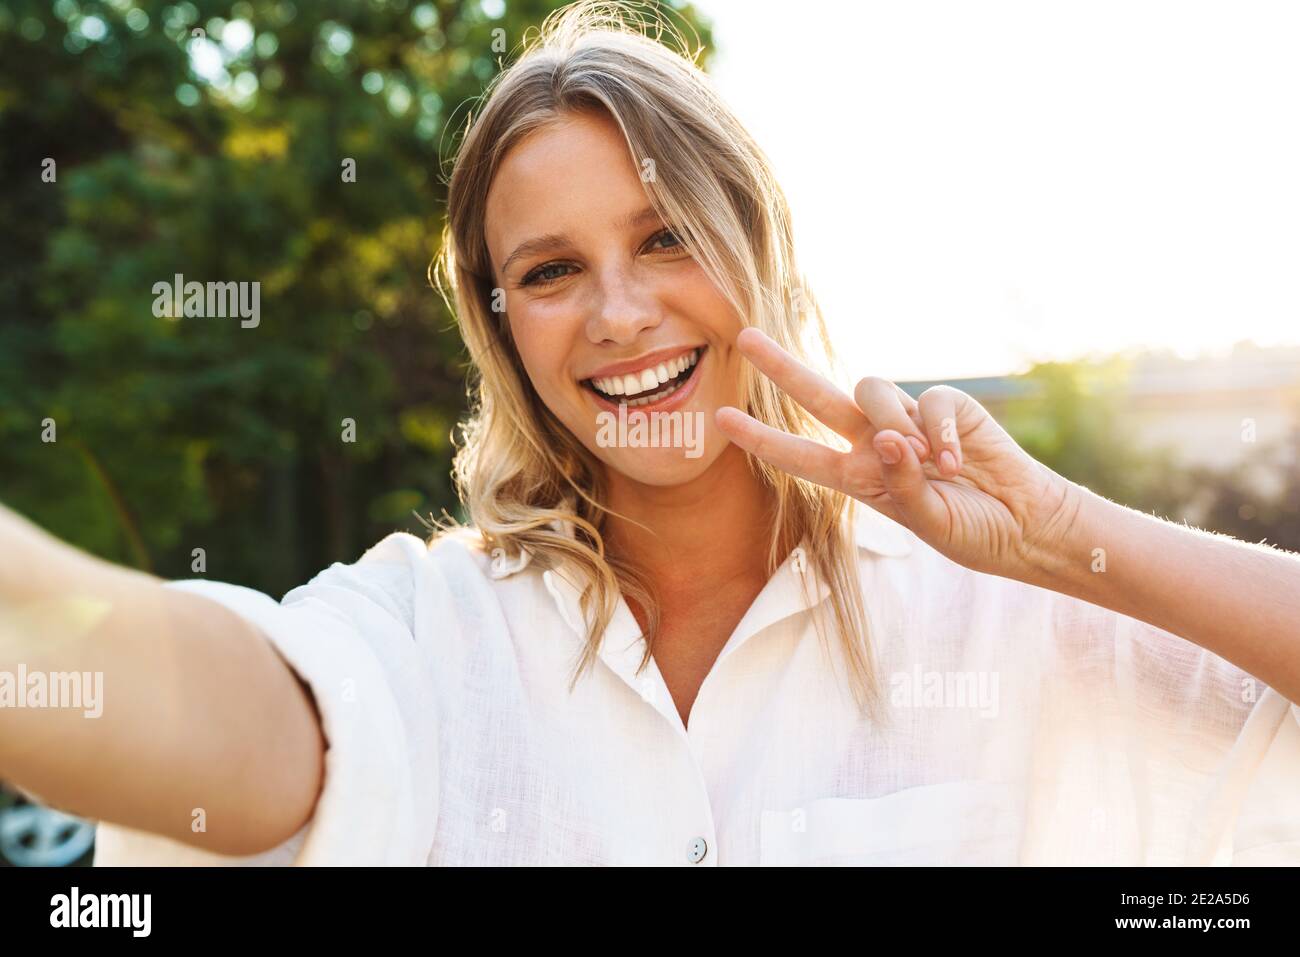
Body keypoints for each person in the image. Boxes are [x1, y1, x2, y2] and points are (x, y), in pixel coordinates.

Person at [3, 2, 1298, 866]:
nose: (620, 315)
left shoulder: (1003, 614)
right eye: (553, 270)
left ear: (759, 244)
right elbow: (220, 709)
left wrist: (1073, 542)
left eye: (667, 236)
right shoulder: (429, 630)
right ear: (500, 321)